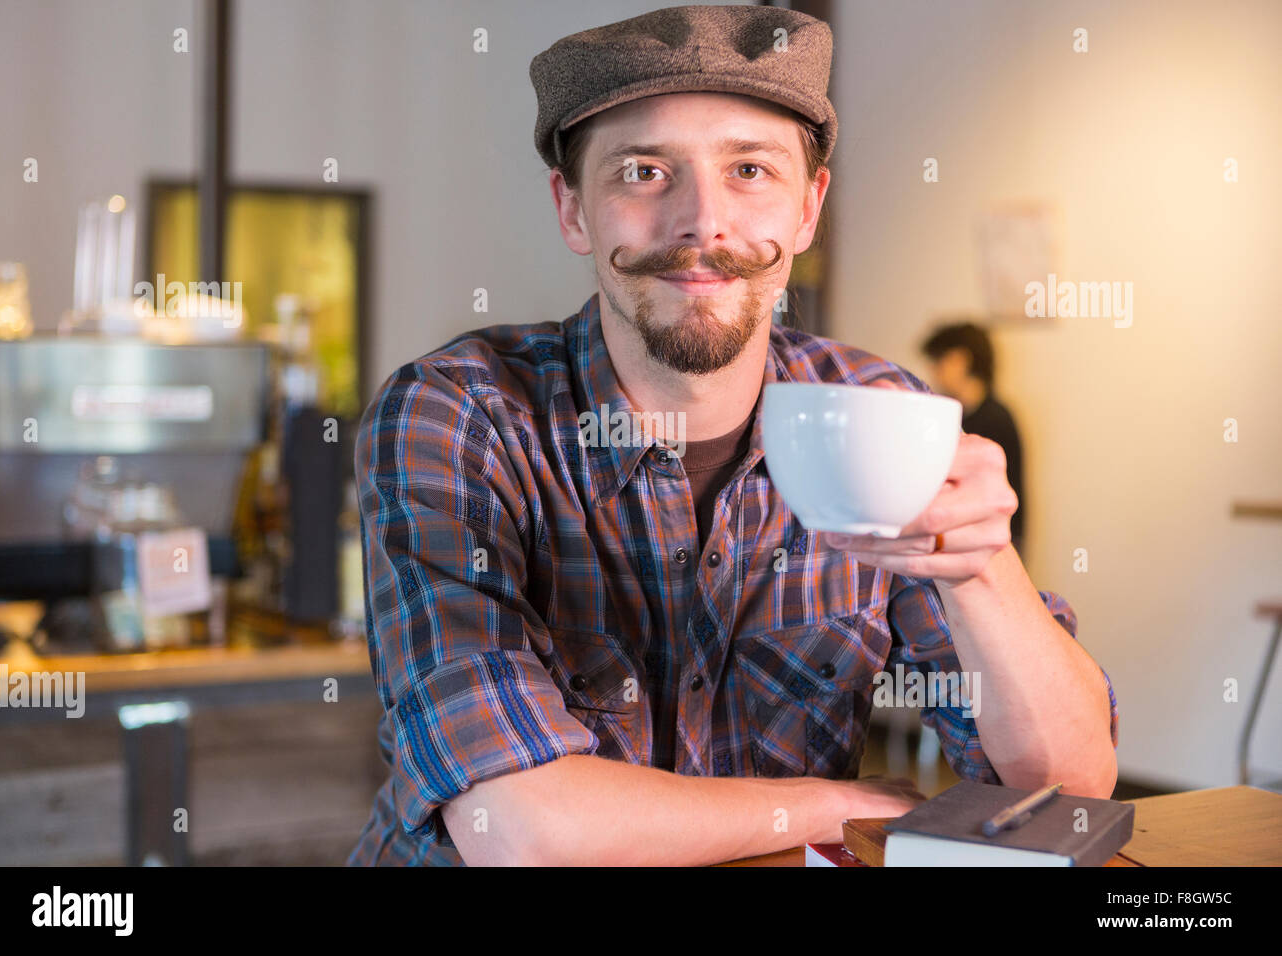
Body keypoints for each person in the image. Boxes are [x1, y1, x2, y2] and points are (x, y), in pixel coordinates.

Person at [349, 5, 1118, 867]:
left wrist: (982, 570)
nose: (702, 223)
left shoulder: (877, 409)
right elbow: (522, 833)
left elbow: (1072, 787)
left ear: (808, 209)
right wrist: (846, 805)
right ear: (573, 210)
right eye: (643, 171)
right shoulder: (461, 416)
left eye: (751, 169)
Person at [921, 322, 1026, 553]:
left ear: (960, 360)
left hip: (994, 543)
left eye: (939, 361)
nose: (933, 371)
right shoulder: (957, 417)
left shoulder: (996, 419)